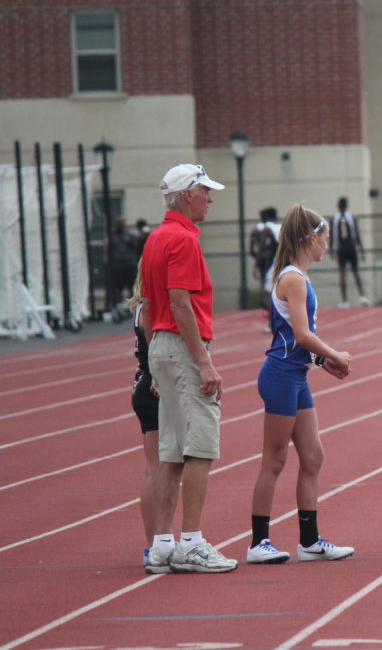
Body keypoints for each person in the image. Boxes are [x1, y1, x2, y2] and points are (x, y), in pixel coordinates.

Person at [141, 163, 235, 574]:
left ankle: (163, 544)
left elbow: (147, 306)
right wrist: (204, 362)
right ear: (187, 196)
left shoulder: (155, 238)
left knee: (171, 452)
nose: (210, 199)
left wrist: (153, 363)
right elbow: (181, 303)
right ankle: (192, 542)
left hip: (162, 346)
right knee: (200, 447)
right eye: (205, 192)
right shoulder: (183, 239)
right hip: (182, 346)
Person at [248, 204, 355, 565]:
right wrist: (335, 355)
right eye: (325, 238)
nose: (327, 244)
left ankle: (309, 541)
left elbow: (298, 339)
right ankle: (258, 542)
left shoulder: (297, 278)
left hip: (295, 375)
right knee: (274, 459)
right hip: (280, 376)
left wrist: (323, 362)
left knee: (313, 456)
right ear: (311, 239)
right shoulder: (293, 279)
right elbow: (301, 334)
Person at [128, 264, 160, 571]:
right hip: (153, 389)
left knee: (157, 468)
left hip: (144, 386)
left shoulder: (140, 303)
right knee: (157, 469)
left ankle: (157, 543)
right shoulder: (149, 305)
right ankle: (154, 544)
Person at [330, 197, 369, 308]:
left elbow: (332, 236)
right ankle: (357, 297)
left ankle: (350, 299)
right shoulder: (348, 218)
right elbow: (356, 235)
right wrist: (361, 250)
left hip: (344, 248)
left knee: (346, 273)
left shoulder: (337, 218)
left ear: (338, 205)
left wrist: (332, 250)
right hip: (348, 247)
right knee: (352, 272)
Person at [250, 207, 281, 331]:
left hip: (270, 264)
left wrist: (257, 264)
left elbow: (258, 249)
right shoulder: (281, 227)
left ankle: (271, 323)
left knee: (267, 294)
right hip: (284, 263)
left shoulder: (264, 229)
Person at [110, 217, 138, 305]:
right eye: (118, 223)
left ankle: (133, 304)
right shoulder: (112, 236)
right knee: (118, 287)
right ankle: (119, 305)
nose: (120, 225)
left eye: (121, 223)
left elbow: (136, 247)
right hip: (117, 265)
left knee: (132, 286)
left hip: (129, 264)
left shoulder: (129, 235)